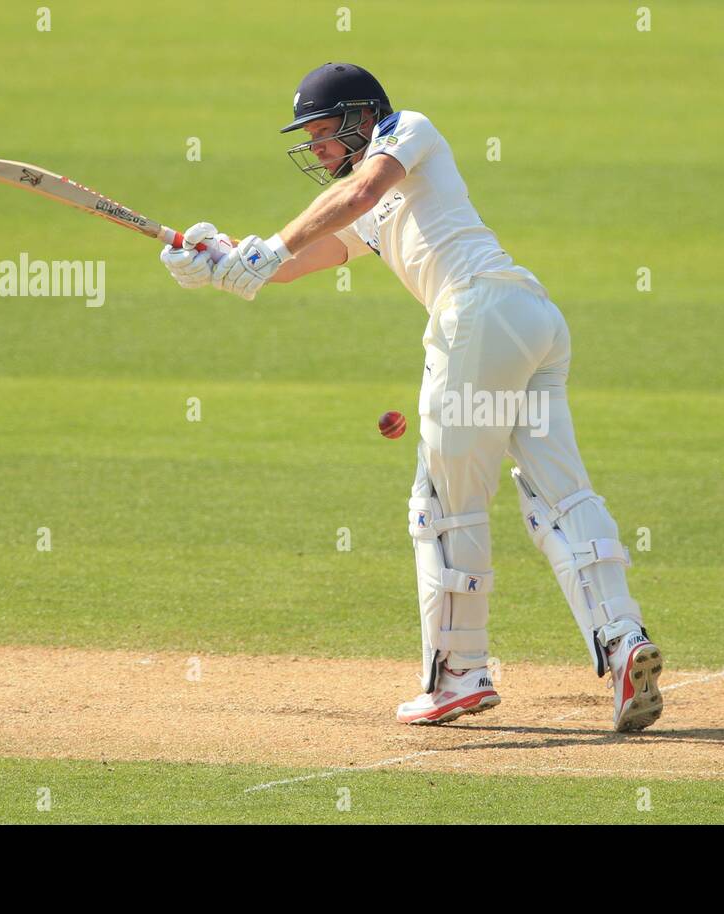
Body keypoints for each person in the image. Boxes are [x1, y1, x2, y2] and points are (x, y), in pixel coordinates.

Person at [160, 62, 663, 731]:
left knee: (442, 505)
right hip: (531, 323)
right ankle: (624, 641)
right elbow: (304, 258)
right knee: (555, 498)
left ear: (363, 116)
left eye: (324, 134)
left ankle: (459, 673)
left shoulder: (408, 133)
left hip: (480, 313)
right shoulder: (367, 206)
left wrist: (270, 246)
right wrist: (219, 261)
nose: (317, 151)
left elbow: (359, 192)